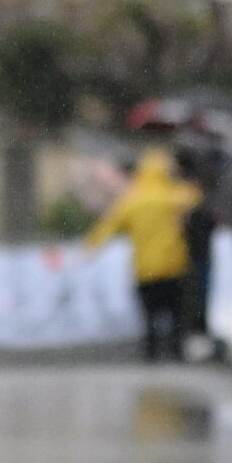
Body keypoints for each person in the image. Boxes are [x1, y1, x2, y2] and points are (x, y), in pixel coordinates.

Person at [88, 149, 202, 360]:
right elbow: (195, 196)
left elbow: (108, 226)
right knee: (175, 313)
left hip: (145, 269)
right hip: (173, 266)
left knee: (150, 315)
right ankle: (175, 352)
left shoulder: (132, 201)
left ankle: (151, 352)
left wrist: (89, 248)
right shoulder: (173, 196)